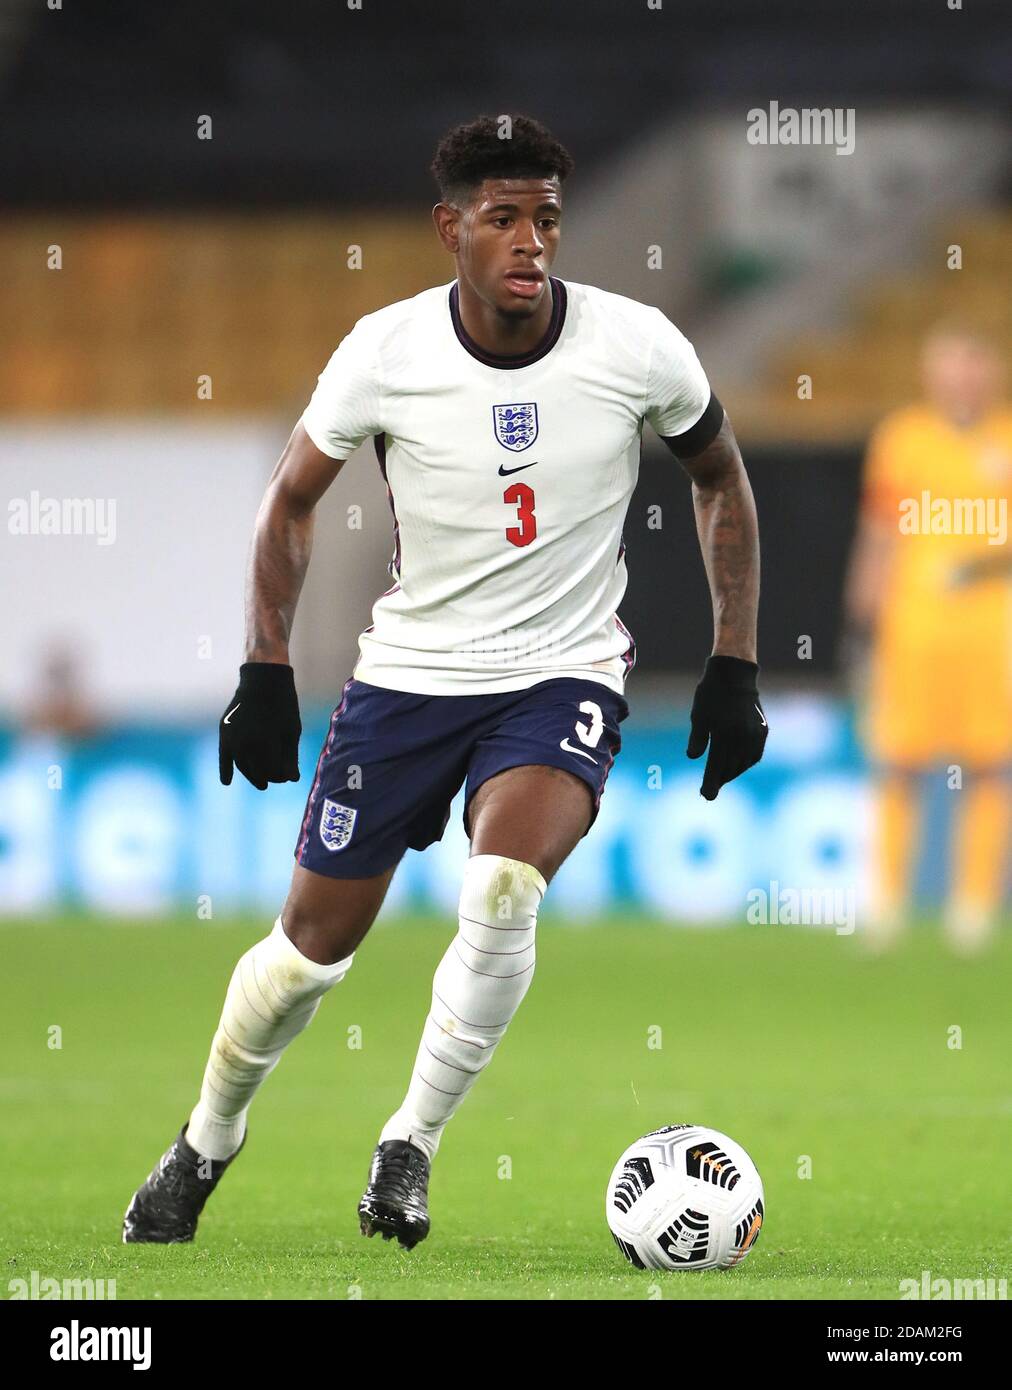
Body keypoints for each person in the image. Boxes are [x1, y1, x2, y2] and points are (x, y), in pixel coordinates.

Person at [123, 113, 767, 1249]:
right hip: (410, 680)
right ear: (449, 228)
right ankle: (204, 1144)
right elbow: (289, 500)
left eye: (547, 219)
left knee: (502, 888)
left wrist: (735, 660)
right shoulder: (387, 351)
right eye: (504, 218)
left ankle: (409, 1144)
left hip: (560, 671)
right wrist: (264, 668)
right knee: (307, 953)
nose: (531, 242)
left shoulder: (638, 345)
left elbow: (719, 476)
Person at [844, 323, 1012, 951]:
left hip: (991, 633)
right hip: (912, 631)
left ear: (989, 371)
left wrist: (982, 566)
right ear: (930, 374)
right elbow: (880, 536)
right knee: (898, 765)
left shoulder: (1007, 439)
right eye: (947, 366)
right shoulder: (903, 439)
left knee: (990, 767)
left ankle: (973, 908)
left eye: (970, 364)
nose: (959, 379)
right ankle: (885, 904)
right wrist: (860, 624)